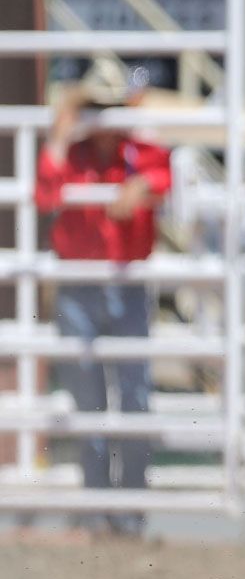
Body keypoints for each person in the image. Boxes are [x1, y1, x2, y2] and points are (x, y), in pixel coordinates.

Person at [35, 78, 172, 538]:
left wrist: (144, 185)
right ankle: (97, 508)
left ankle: (130, 509)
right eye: (95, 109)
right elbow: (46, 193)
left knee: (134, 396)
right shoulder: (72, 154)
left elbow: (163, 175)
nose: (104, 121)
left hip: (125, 284)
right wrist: (61, 126)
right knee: (88, 399)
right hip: (79, 286)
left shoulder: (138, 153)